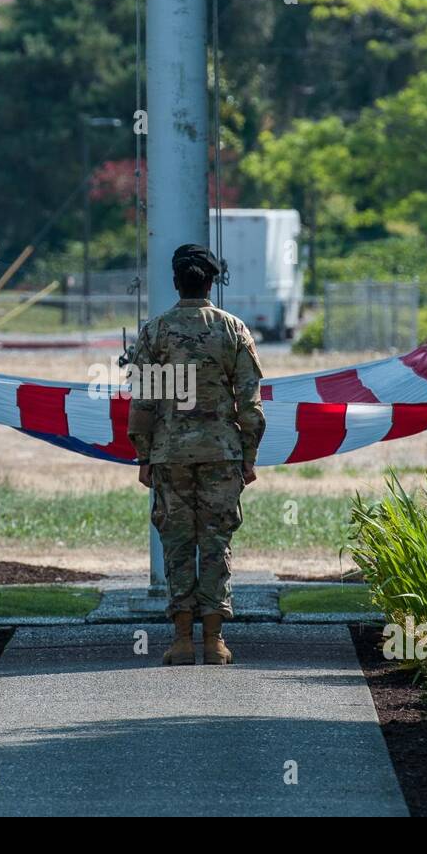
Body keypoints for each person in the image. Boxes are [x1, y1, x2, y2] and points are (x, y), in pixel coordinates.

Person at [128, 244, 265, 667]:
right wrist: (248, 455)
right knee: (215, 541)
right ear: (212, 281)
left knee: (177, 542)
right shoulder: (234, 330)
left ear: (175, 282)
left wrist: (144, 457)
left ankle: (182, 639)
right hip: (221, 455)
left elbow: (142, 405)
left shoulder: (154, 333)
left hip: (170, 455)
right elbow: (251, 406)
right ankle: (215, 640)